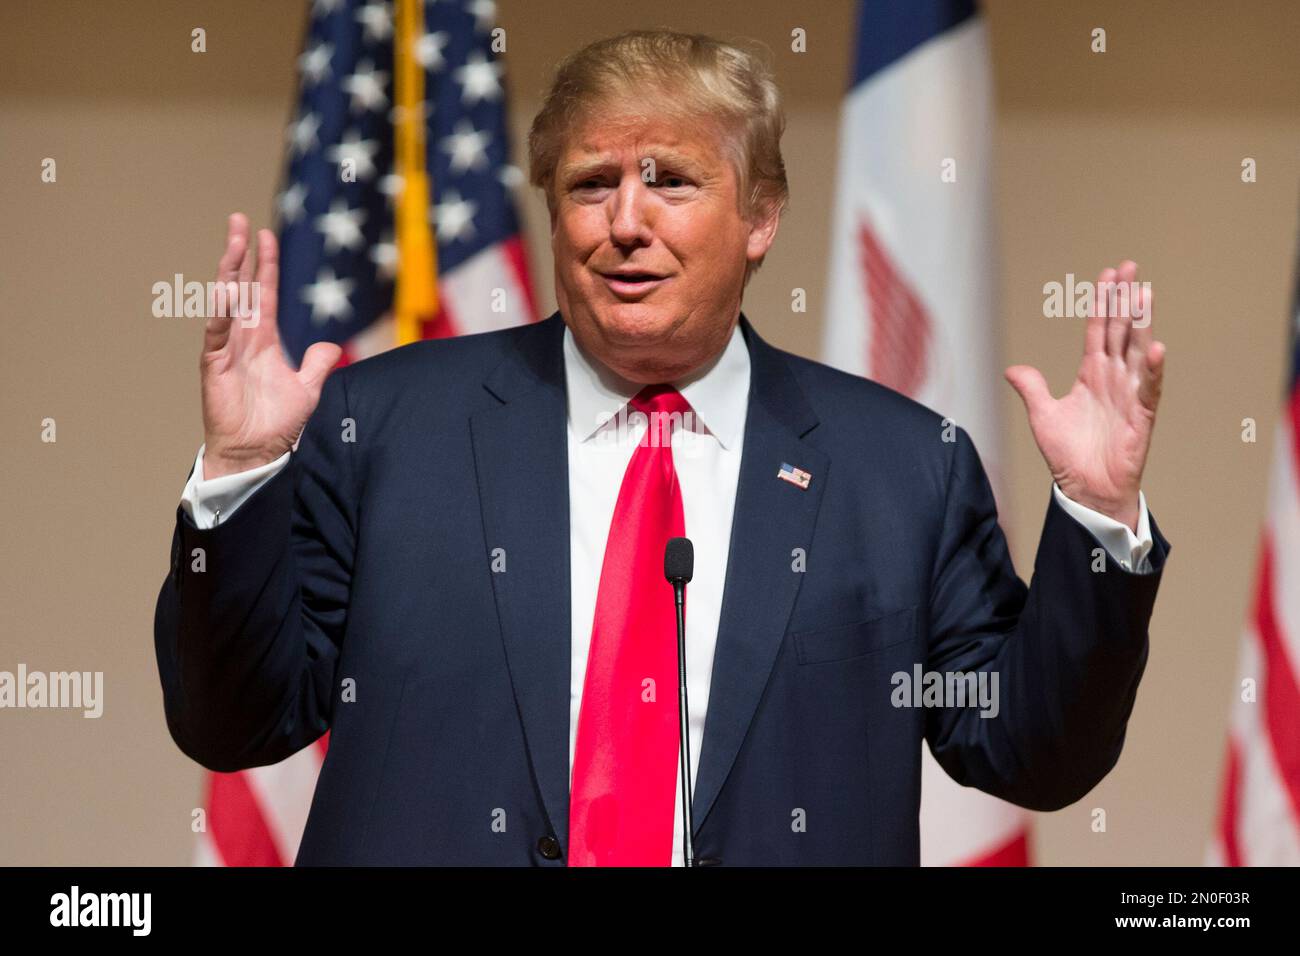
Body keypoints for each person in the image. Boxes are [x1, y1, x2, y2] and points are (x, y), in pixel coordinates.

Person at [155, 30, 1169, 866]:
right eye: (591, 182)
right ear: (553, 209)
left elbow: (1024, 750)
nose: (625, 223)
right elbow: (234, 722)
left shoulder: (900, 465)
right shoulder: (379, 424)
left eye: (670, 180)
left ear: (760, 215)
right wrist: (240, 473)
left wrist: (1097, 514)